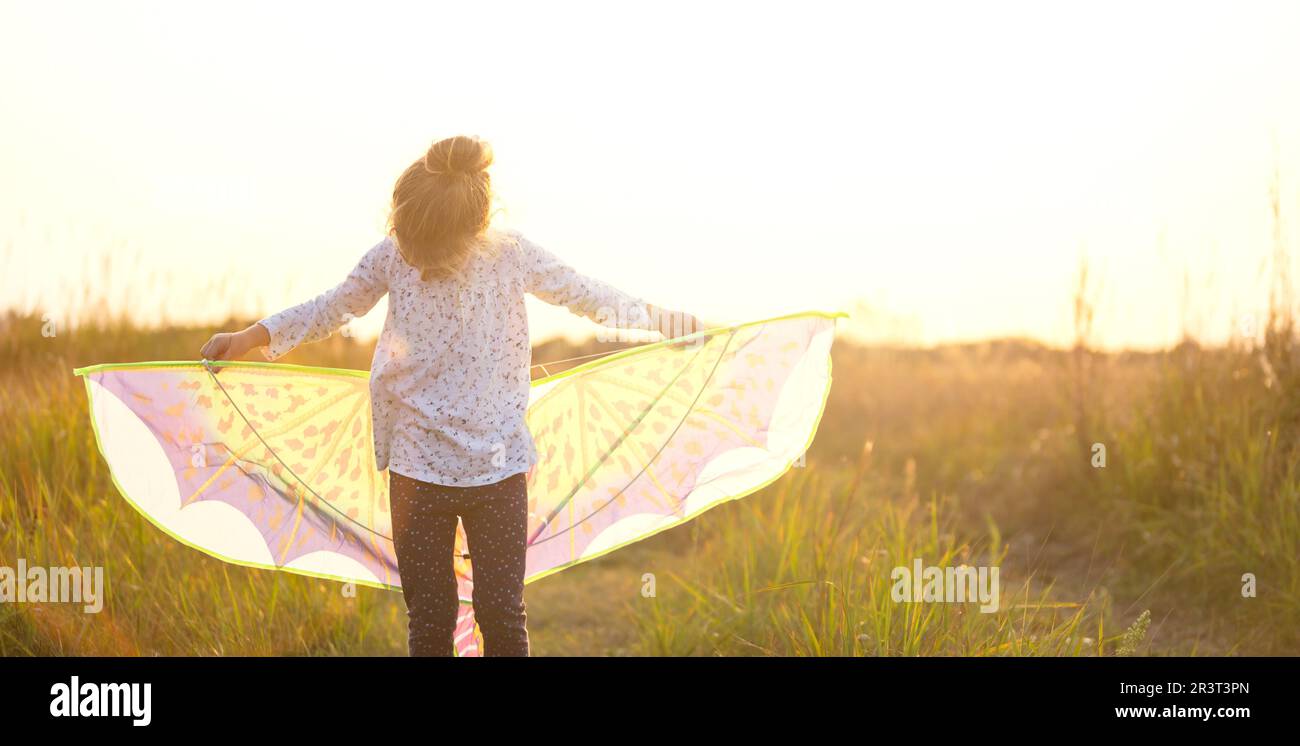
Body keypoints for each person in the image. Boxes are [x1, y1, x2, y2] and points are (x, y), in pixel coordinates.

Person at [200, 135, 698, 656]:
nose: (414, 257)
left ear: (470, 231)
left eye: (425, 249)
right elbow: (331, 308)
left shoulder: (510, 255)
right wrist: (250, 337)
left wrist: (661, 321)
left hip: (498, 471)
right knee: (430, 617)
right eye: (405, 241)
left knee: (501, 612)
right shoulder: (392, 257)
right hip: (417, 473)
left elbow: (587, 294)